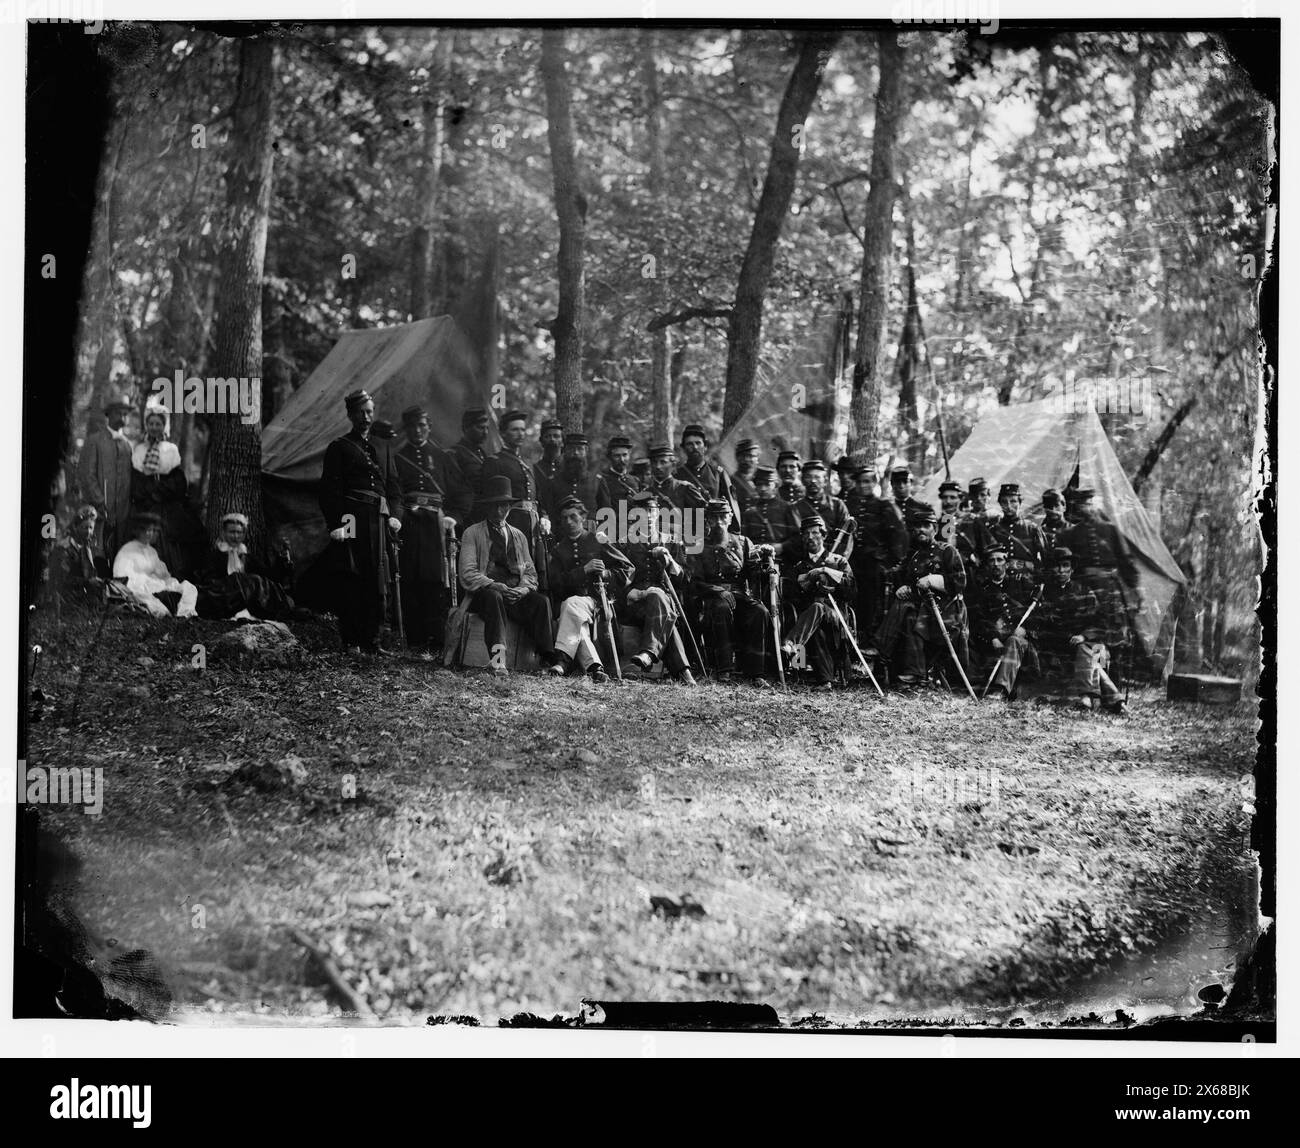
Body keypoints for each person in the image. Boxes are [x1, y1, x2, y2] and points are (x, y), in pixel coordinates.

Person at [318, 388, 404, 655]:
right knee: (353, 576)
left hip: (378, 519)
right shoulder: (340, 447)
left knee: (377, 578)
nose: (366, 417)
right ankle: (352, 641)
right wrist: (338, 525)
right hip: (352, 517)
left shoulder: (382, 448)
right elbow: (330, 490)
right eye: (360, 412)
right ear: (350, 415)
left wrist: (395, 517)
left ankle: (373, 641)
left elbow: (394, 487)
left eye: (369, 412)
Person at [457, 475, 560, 676]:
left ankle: (546, 660)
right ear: (486, 507)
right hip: (484, 594)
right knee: (493, 598)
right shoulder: (472, 533)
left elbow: (530, 572)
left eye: (503, 506)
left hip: (513, 594)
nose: (498, 512)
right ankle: (498, 661)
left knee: (540, 602)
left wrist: (522, 590)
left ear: (510, 507)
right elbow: (468, 573)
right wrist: (494, 585)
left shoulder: (518, 536)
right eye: (494, 506)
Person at [875, 504, 968, 687]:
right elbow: (911, 583)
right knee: (908, 613)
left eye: (926, 526)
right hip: (922, 608)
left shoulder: (947, 551)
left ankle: (881, 651)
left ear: (934, 528)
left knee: (908, 610)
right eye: (917, 527)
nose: (921, 530)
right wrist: (905, 587)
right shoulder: (915, 556)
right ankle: (915, 673)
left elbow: (960, 583)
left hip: (946, 610)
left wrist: (934, 580)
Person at [545, 497, 634, 682]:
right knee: (573, 611)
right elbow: (555, 584)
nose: (568, 522)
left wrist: (607, 573)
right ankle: (595, 667)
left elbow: (628, 569)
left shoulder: (598, 540)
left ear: (583, 518)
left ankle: (562, 660)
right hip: (571, 604)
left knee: (570, 607)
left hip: (597, 601)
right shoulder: (558, 549)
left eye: (573, 517)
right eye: (564, 518)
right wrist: (583, 571)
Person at [1029, 547, 1126, 714]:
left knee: (1091, 650)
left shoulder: (1084, 591)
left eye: (1065, 565)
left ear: (1072, 568)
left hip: (1085, 644)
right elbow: (1039, 623)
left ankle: (1087, 699)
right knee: (1090, 654)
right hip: (1056, 646)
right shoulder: (1044, 593)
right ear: (1051, 569)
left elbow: (1100, 623)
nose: (1060, 570)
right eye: (1056, 566)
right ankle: (1115, 699)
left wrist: (1083, 635)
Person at [687, 499, 772, 686]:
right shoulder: (698, 544)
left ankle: (756, 672)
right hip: (711, 597)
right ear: (706, 520)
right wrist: (718, 590)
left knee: (760, 612)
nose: (718, 522)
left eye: (722, 517)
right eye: (713, 517)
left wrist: (766, 562)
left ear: (730, 518)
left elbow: (753, 573)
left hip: (739, 594)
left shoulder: (743, 542)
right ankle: (724, 669)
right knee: (721, 608)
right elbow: (694, 581)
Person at [394, 406, 456, 656]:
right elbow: (395, 492)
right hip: (409, 523)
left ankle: (437, 639)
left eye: (422, 425)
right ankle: (415, 639)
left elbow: (460, 491)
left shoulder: (442, 456)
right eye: (412, 427)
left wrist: (453, 516)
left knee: (436, 581)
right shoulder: (399, 458)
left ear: (429, 426)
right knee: (410, 580)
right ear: (406, 430)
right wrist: (396, 518)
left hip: (436, 526)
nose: (417, 431)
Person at [617, 489, 696, 684]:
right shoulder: (624, 543)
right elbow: (616, 576)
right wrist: (632, 592)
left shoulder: (671, 542)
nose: (648, 516)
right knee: (663, 611)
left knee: (660, 599)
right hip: (635, 603)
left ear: (658, 513)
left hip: (665, 599)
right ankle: (683, 671)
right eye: (641, 512)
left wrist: (670, 561)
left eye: (651, 511)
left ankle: (649, 654)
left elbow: (684, 580)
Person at [129, 403, 205, 579]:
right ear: (147, 426)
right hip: (145, 503)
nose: (154, 428)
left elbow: (179, 483)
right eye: (151, 424)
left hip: (167, 503)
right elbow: (136, 482)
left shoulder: (170, 450)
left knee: (177, 533)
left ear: (164, 426)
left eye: (158, 424)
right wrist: (148, 491)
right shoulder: (139, 450)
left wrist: (159, 490)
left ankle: (175, 574)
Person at [780, 515, 854, 691]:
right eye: (806, 534)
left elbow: (852, 591)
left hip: (836, 616)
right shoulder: (799, 566)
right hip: (809, 620)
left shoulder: (839, 561)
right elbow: (791, 596)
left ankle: (791, 643)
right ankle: (825, 681)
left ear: (823, 535)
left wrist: (833, 583)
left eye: (815, 533)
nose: (811, 537)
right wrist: (805, 584)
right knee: (817, 624)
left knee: (819, 607)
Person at [1058, 488, 1139, 645]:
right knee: (1087, 627)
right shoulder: (1070, 534)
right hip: (1084, 588)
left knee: (1116, 631)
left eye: (1089, 504)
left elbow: (1125, 560)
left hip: (1110, 588)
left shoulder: (1110, 529)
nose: (1086, 508)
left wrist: (1134, 588)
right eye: (1082, 505)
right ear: (1077, 507)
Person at [196, 512, 296, 621]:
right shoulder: (214, 556)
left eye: (239, 532)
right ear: (223, 533)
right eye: (232, 532)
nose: (235, 536)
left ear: (244, 534)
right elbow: (209, 582)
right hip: (224, 599)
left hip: (247, 602)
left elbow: (269, 576)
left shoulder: (247, 558)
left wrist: (281, 560)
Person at [845, 465, 906, 640]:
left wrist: (888, 562)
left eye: (867, 482)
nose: (863, 486)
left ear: (874, 483)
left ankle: (869, 636)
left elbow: (899, 536)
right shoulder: (849, 505)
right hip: (853, 562)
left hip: (875, 564)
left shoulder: (884, 506)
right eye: (859, 482)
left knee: (872, 602)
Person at [966, 544, 1035, 700]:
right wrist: (993, 637)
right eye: (991, 561)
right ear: (987, 565)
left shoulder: (1021, 584)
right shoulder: (982, 590)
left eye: (999, 560)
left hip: (1024, 644)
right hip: (995, 644)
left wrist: (1025, 629)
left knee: (1014, 640)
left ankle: (1001, 691)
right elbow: (978, 619)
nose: (996, 564)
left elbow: (1036, 613)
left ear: (1007, 563)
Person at [75, 393, 133, 561]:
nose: (122, 417)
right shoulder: (95, 441)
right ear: (109, 414)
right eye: (117, 413)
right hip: (99, 510)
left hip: (122, 512)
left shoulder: (128, 445)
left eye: (125, 414)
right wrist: (100, 501)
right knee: (97, 553)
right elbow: (87, 475)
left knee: (118, 555)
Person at [112, 512, 199, 618]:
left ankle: (185, 613)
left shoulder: (151, 551)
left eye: (151, 530)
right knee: (155, 606)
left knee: (190, 588)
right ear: (136, 531)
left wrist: (165, 578)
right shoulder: (127, 550)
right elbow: (121, 576)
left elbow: (162, 574)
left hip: (156, 584)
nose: (149, 534)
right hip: (138, 586)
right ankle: (166, 615)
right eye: (145, 530)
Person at [676, 423, 738, 525]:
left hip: (715, 529)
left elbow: (732, 507)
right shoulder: (677, 476)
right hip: (687, 531)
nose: (694, 447)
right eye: (689, 444)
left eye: (698, 443)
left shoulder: (718, 473)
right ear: (683, 448)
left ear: (705, 446)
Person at [794, 459, 855, 559]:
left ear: (825, 480)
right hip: (805, 561)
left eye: (817, 477)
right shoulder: (795, 507)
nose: (813, 481)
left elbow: (846, 537)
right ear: (802, 480)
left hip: (833, 561)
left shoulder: (837, 505)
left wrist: (835, 561)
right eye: (808, 477)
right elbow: (795, 539)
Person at [989, 483, 1047, 583]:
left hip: (1026, 583)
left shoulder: (1032, 528)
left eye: (1013, 501)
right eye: (1004, 502)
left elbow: (1045, 561)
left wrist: (1026, 565)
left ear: (1020, 503)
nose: (1008, 505)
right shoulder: (994, 530)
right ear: (1000, 504)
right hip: (1001, 582)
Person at [742, 466, 802, 562]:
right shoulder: (749, 512)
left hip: (780, 559)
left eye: (767, 484)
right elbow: (743, 538)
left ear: (775, 485)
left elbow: (798, 536)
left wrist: (782, 546)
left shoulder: (787, 508)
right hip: (754, 560)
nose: (763, 488)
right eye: (759, 484)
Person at [54, 505, 110, 603]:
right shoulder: (66, 549)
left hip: (84, 597)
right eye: (84, 528)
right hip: (67, 600)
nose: (88, 532)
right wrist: (87, 582)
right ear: (76, 527)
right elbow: (62, 580)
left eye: (91, 528)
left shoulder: (86, 547)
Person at [545, 432, 602, 523]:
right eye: (571, 449)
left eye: (580, 449)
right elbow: (548, 511)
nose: (575, 453)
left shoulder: (597, 481)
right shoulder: (553, 482)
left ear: (586, 451)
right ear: (565, 452)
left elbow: (607, 513)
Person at [448, 407, 491, 526]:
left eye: (487, 428)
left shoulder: (483, 455)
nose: (485, 432)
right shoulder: (454, 454)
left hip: (483, 515)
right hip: (465, 516)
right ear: (466, 428)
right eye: (480, 428)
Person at [644, 443, 707, 513]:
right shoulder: (646, 492)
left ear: (673, 465)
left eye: (663, 462)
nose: (658, 466)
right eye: (654, 462)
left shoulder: (685, 488)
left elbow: (700, 518)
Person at [594, 434, 641, 516]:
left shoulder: (635, 480)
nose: (622, 460)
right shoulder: (602, 480)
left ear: (629, 455)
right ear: (610, 457)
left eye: (625, 455)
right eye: (617, 456)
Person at [731, 439, 761, 519]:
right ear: (737, 458)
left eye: (751, 456)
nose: (747, 459)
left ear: (758, 459)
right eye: (743, 456)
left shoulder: (765, 480)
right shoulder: (730, 482)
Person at [1038, 488, 1071, 553]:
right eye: (1049, 506)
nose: (1053, 510)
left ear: (1064, 506)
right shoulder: (1039, 532)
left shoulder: (1074, 530)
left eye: (1056, 505)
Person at [535, 418, 566, 485]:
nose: (552, 439)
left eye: (556, 436)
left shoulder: (569, 468)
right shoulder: (535, 470)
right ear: (541, 441)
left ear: (563, 442)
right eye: (547, 436)